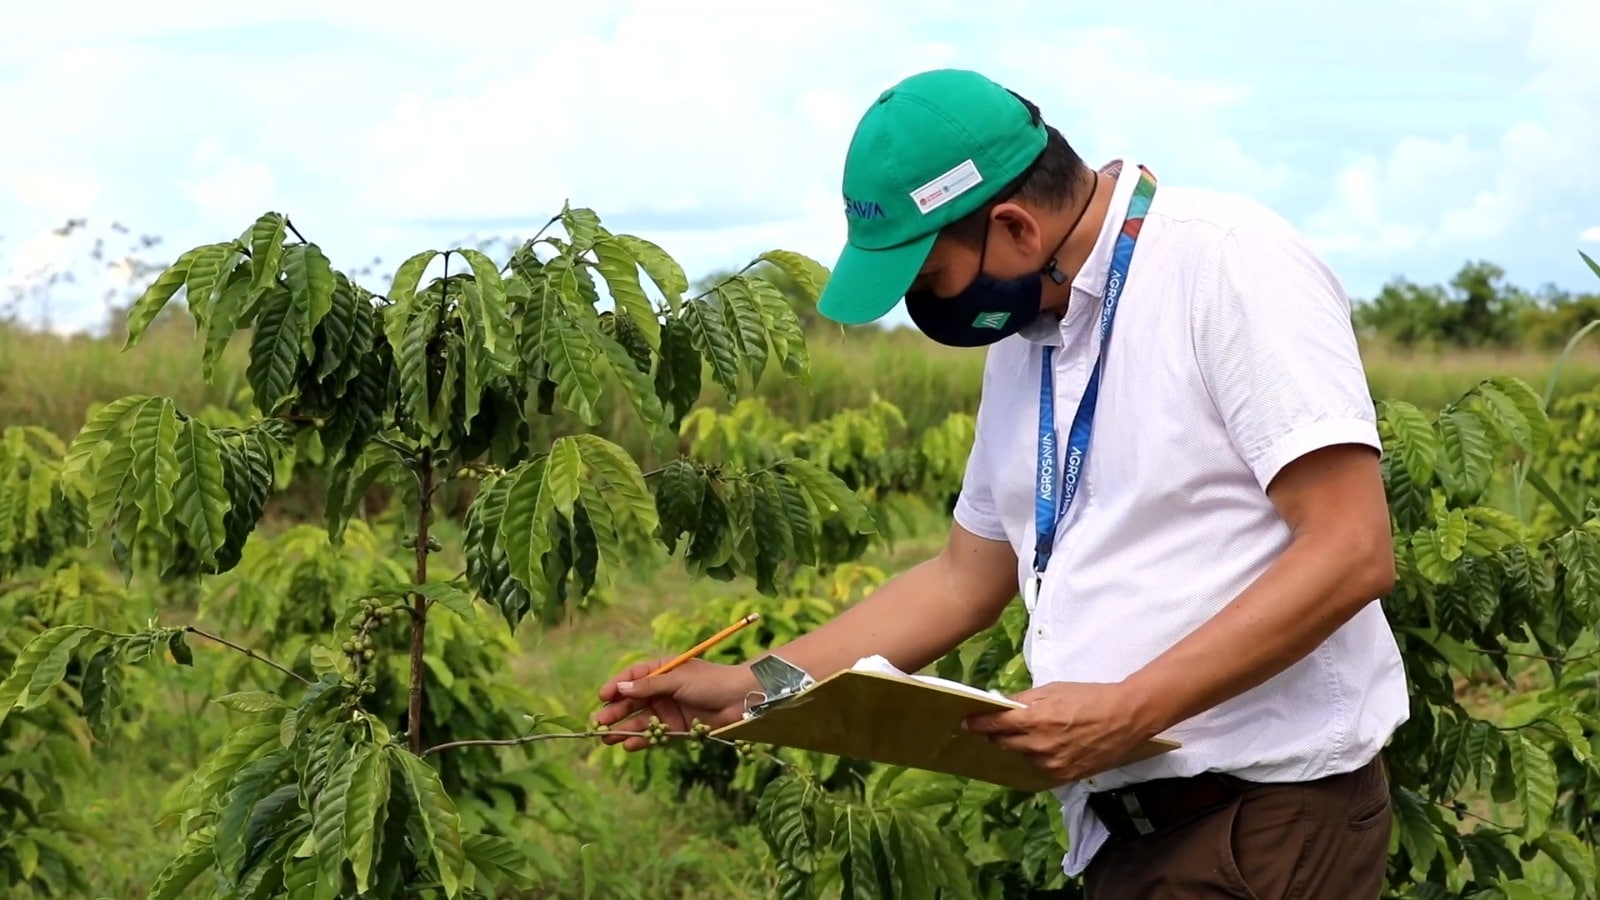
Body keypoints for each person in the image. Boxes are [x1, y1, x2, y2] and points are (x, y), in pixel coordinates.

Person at [594, 67, 1408, 899]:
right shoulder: (1027, 338)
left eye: (929, 281)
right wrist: (754, 689)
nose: (924, 305)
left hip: (1261, 825)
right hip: (1124, 834)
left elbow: (1350, 549)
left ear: (1015, 226)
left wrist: (1133, 707)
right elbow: (961, 579)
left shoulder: (1229, 265)